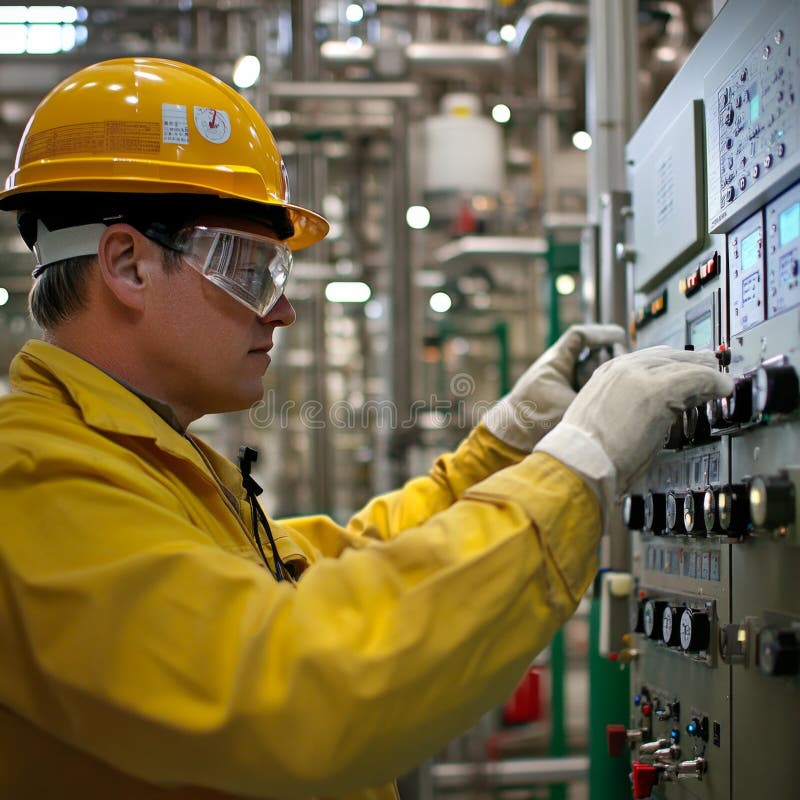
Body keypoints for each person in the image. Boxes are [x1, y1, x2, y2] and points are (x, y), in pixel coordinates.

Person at [0, 58, 731, 799]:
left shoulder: (152, 465)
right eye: (249, 268)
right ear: (127, 264)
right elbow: (299, 685)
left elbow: (345, 566)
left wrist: (513, 444)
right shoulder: (29, 483)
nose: (280, 312)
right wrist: (576, 470)